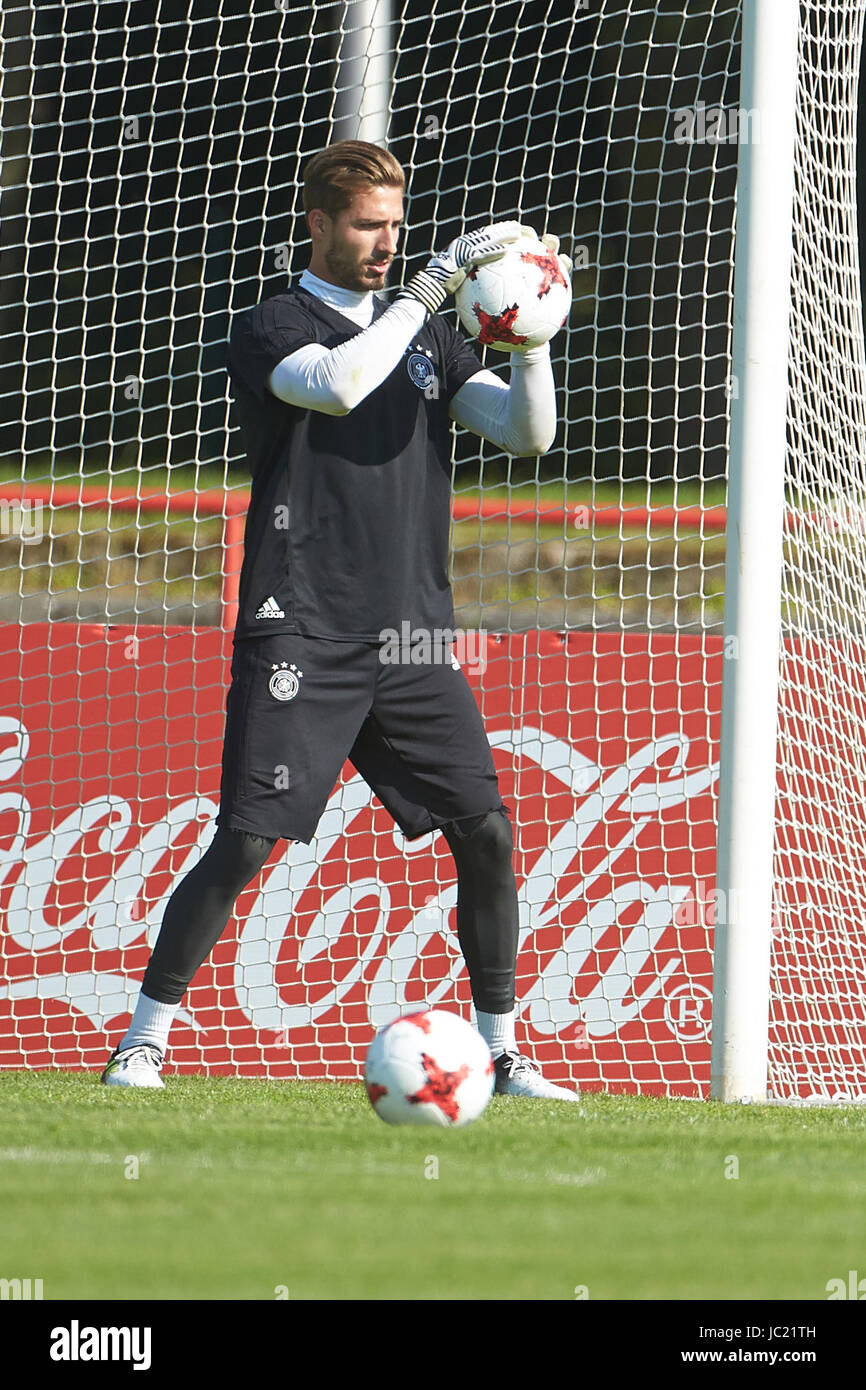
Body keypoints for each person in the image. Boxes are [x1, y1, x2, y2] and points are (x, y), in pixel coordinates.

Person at [101, 140, 577, 1102]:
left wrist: (534, 339)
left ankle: (500, 1049)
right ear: (317, 223)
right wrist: (437, 284)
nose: (386, 245)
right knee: (244, 840)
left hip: (408, 637)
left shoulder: (436, 340)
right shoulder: (275, 325)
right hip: (303, 626)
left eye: (397, 228)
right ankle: (143, 1040)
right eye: (367, 225)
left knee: (485, 830)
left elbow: (530, 435)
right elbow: (344, 383)